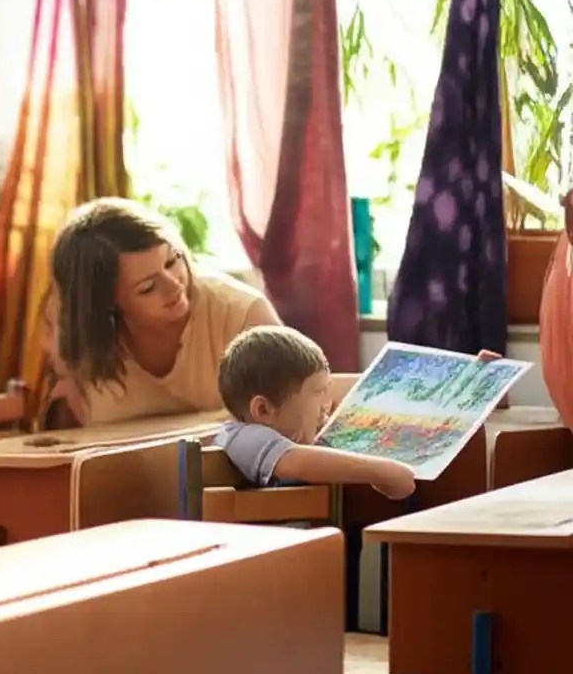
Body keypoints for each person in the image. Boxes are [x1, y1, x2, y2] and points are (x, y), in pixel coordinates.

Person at [51, 197, 282, 425]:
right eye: (148, 287)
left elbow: (292, 416)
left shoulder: (243, 316)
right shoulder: (82, 343)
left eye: (172, 261)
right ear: (105, 304)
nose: (174, 285)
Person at [214, 325, 417, 498]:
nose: (326, 404)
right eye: (318, 392)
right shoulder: (240, 437)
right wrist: (382, 472)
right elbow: (296, 463)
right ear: (264, 410)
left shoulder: (299, 439)